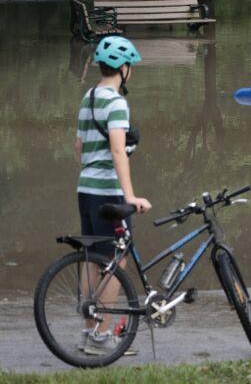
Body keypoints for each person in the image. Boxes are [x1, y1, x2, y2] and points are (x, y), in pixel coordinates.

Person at [74, 34, 149, 352]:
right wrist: (129, 196)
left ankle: (88, 332)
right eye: (131, 66)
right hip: (108, 193)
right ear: (123, 68)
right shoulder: (117, 103)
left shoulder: (89, 97)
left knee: (92, 260)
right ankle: (102, 336)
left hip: (86, 190)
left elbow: (79, 147)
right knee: (116, 262)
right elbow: (118, 151)